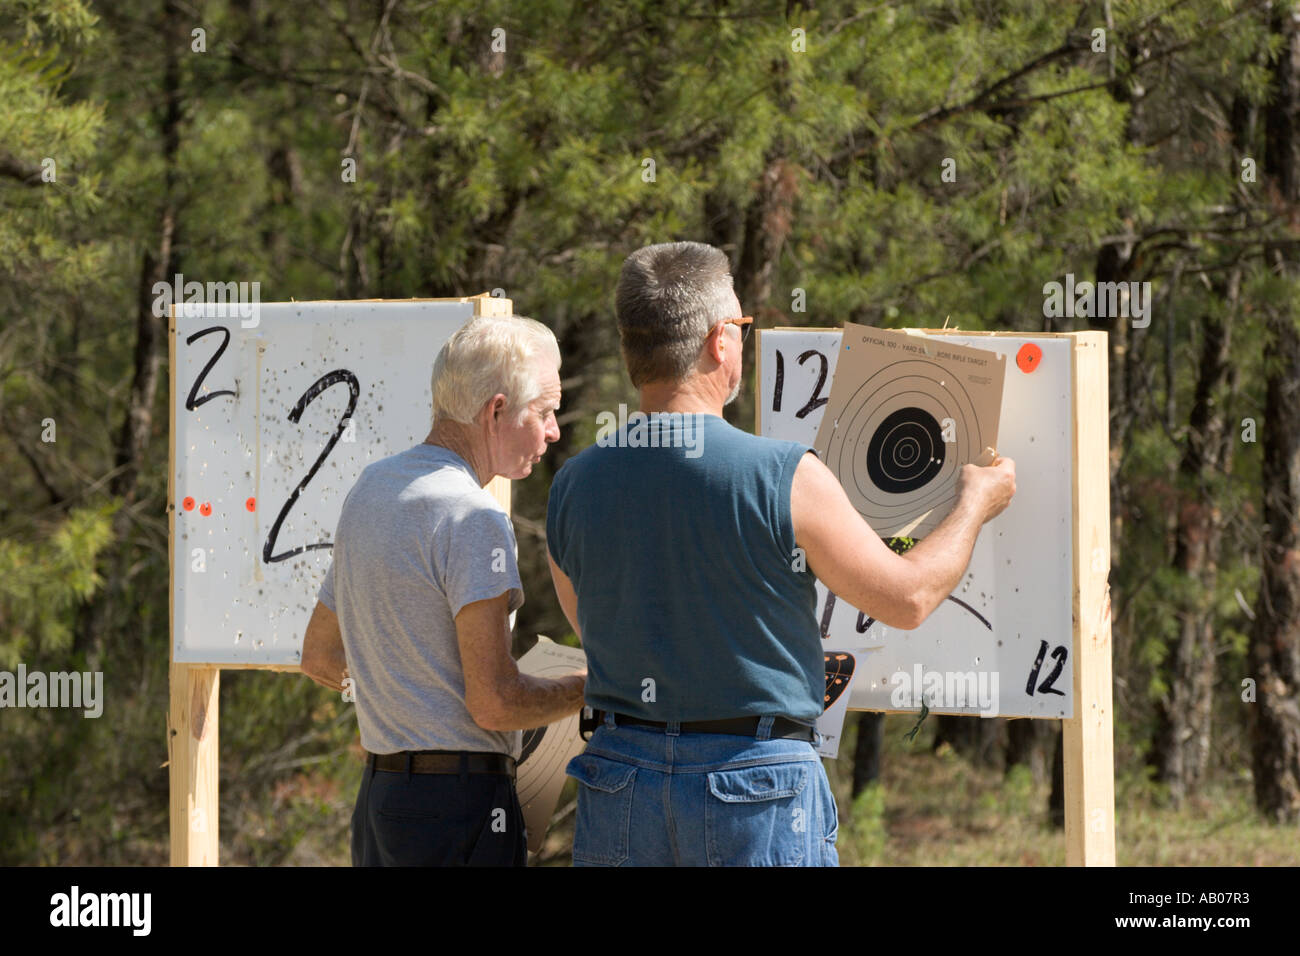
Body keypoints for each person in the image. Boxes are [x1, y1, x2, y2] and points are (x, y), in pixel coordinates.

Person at [545, 241, 1016, 867]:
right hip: (754, 786)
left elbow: (596, 629)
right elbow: (907, 598)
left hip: (618, 780)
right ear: (719, 341)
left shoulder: (573, 483)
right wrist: (974, 505)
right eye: (742, 327)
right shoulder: (783, 474)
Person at [300, 314, 586, 867]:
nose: (553, 432)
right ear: (496, 411)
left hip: (380, 798)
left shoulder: (372, 488)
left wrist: (408, 688)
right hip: (459, 806)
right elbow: (496, 703)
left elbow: (320, 657)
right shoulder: (473, 515)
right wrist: (589, 689)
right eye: (545, 412)